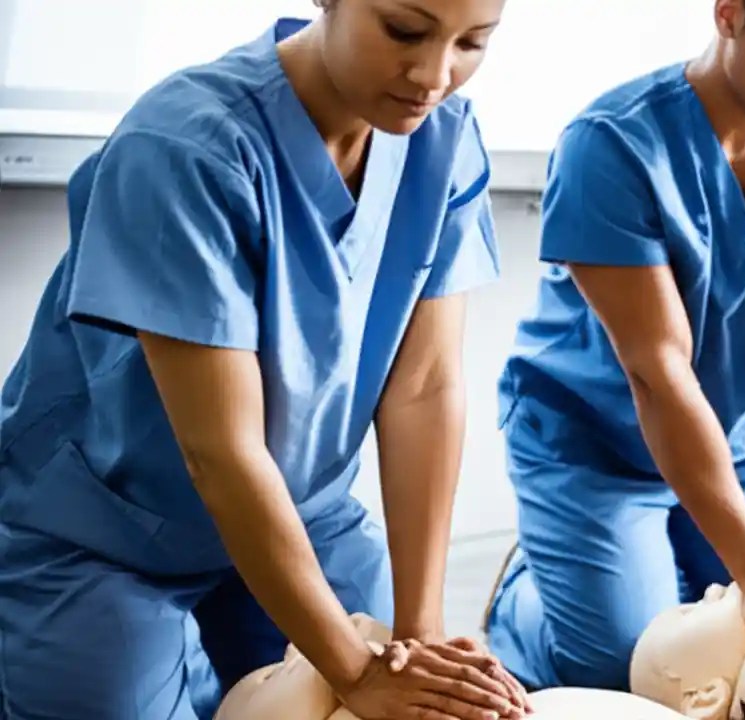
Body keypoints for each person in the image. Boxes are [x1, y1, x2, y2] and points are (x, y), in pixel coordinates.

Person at [0, 2, 529, 719]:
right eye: (405, 31)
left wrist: (421, 630)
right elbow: (220, 451)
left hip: (303, 514)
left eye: (472, 42)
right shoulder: (188, 143)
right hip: (103, 530)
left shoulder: (445, 140)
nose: (435, 75)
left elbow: (424, 389)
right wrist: (355, 672)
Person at [484, 0, 745, 693]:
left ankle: (646, 566)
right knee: (628, 671)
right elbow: (657, 369)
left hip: (738, 438)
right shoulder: (611, 143)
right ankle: (524, 599)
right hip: (593, 441)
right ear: (729, 15)